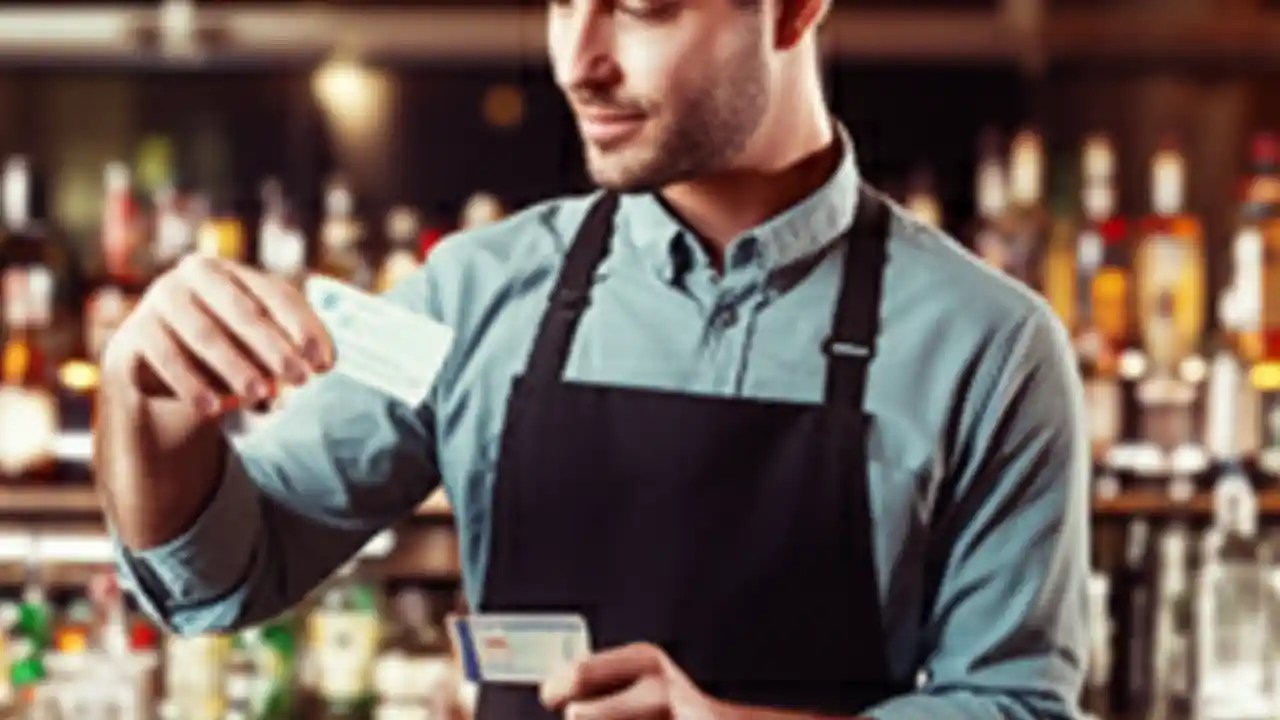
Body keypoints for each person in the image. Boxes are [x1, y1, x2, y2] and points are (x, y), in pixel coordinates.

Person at [97, 0, 1089, 718]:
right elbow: (223, 575)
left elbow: (1011, 706)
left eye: (640, 8)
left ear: (793, 13)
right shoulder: (473, 297)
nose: (576, 59)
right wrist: (145, 410)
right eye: (564, 1)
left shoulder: (986, 347)